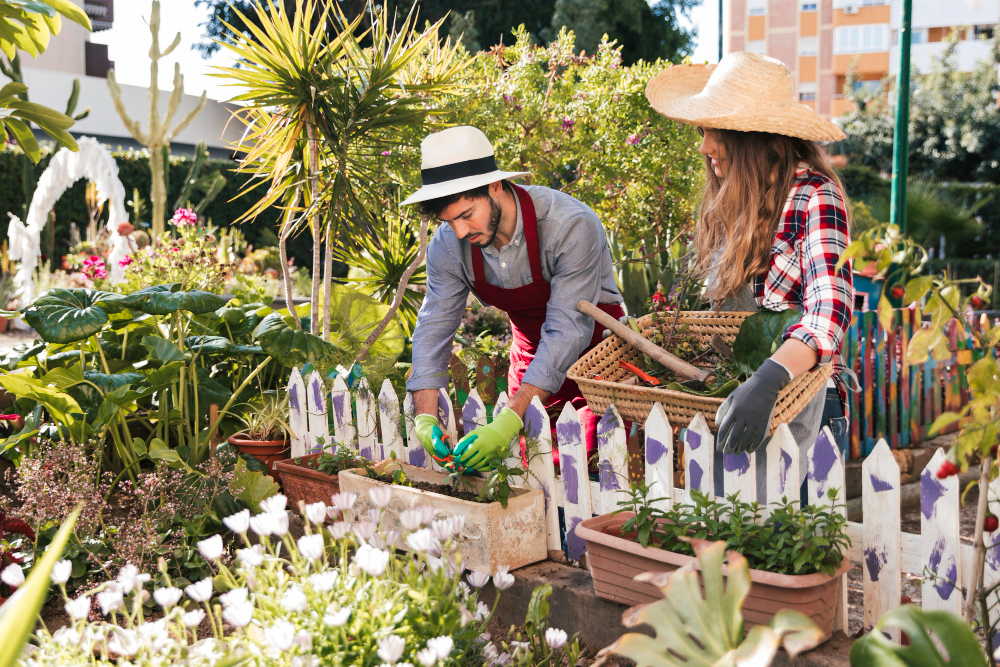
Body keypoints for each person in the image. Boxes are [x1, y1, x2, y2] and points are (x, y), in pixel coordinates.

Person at [645, 52, 855, 500]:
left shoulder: (814, 194)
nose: (704, 146)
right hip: (742, 408)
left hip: (802, 404)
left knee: (788, 559)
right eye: (703, 131)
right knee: (734, 552)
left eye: (714, 132)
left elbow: (830, 307)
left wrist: (770, 377)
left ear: (751, 135)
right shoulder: (732, 200)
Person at [402, 126, 624, 471]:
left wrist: (509, 418)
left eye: (466, 215)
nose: (460, 232)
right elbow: (434, 327)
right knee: (534, 471)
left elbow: (568, 329)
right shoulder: (447, 245)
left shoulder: (570, 225)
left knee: (593, 470)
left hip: (595, 359)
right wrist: (425, 416)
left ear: (495, 185)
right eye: (449, 221)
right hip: (530, 354)